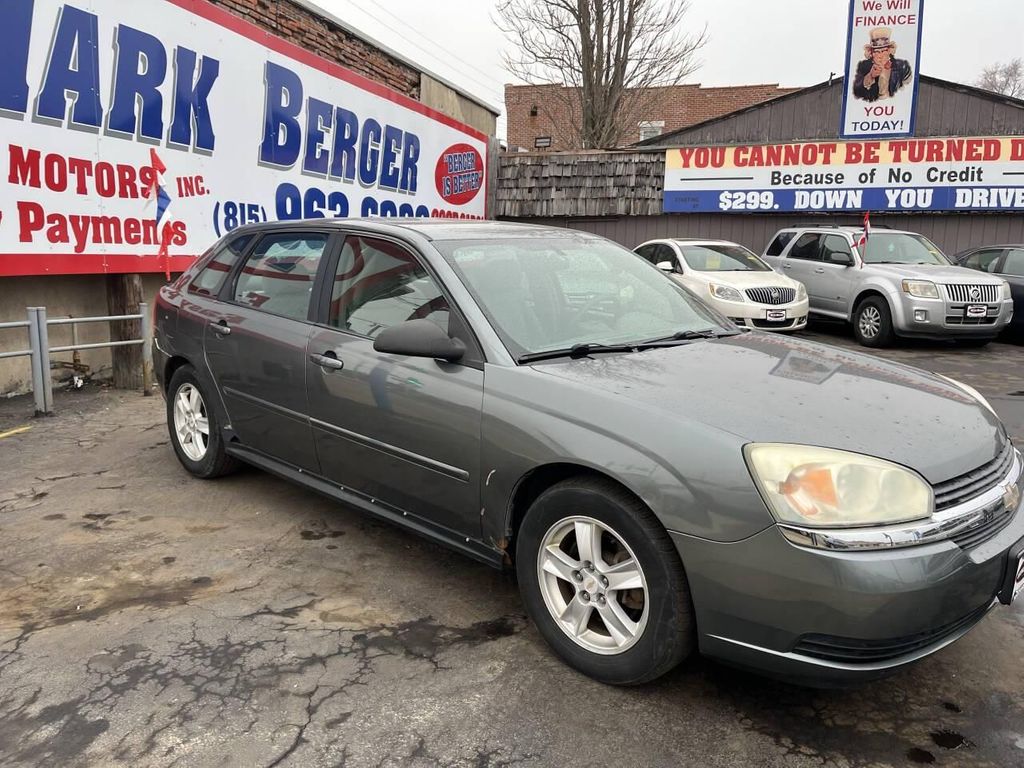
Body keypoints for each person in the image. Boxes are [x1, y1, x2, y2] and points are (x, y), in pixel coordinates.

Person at [853, 27, 913, 101]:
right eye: (877, 52)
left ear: (889, 51)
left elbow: (907, 91)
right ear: (871, 53)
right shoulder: (864, 66)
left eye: (884, 51)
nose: (880, 56)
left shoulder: (902, 67)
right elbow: (856, 91)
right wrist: (870, 76)